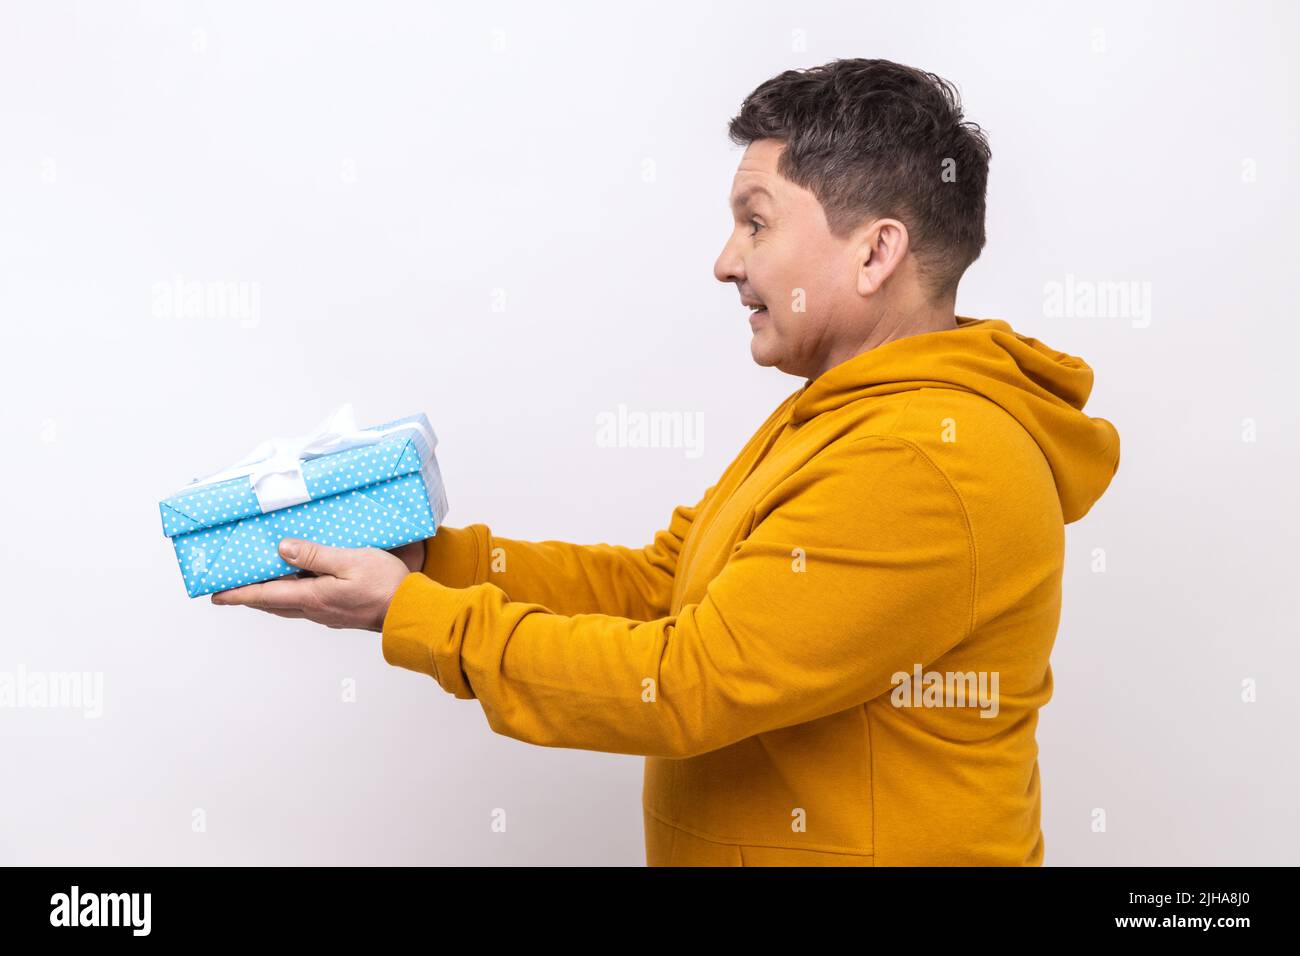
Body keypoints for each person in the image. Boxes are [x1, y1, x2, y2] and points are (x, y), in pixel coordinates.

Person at [213, 58, 1121, 866]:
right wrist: (428, 564)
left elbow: (689, 682)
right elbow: (663, 587)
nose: (726, 262)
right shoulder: (841, 418)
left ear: (876, 251)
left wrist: (413, 615)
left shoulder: (923, 460)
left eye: (756, 224)